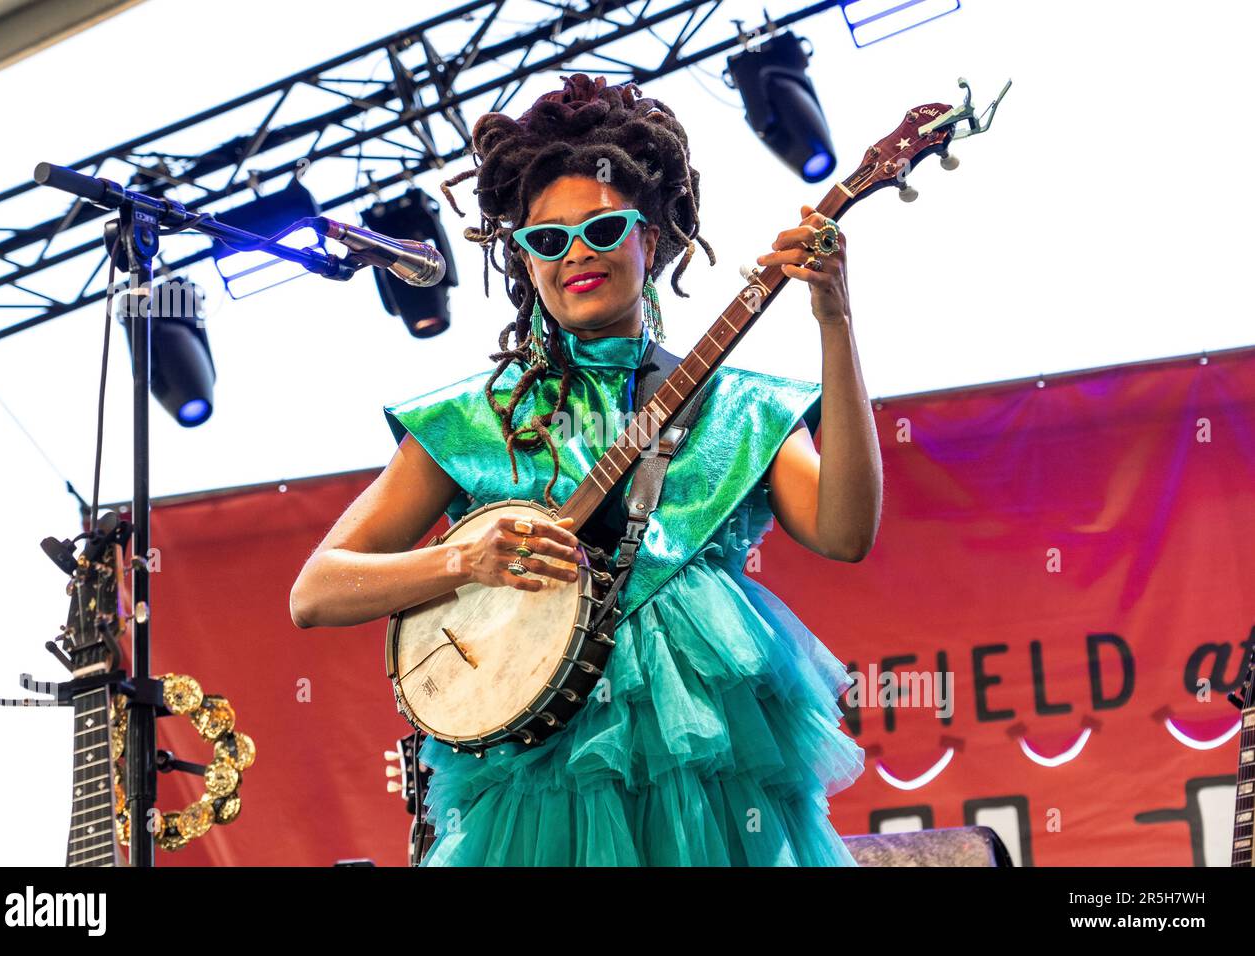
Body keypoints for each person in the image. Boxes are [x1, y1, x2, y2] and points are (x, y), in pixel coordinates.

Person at [290, 73, 882, 866]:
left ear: (654, 235)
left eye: (603, 231)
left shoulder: (740, 407)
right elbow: (316, 591)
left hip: (712, 793)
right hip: (539, 803)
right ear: (524, 261)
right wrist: (465, 559)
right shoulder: (473, 419)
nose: (575, 254)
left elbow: (846, 532)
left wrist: (834, 323)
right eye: (545, 239)